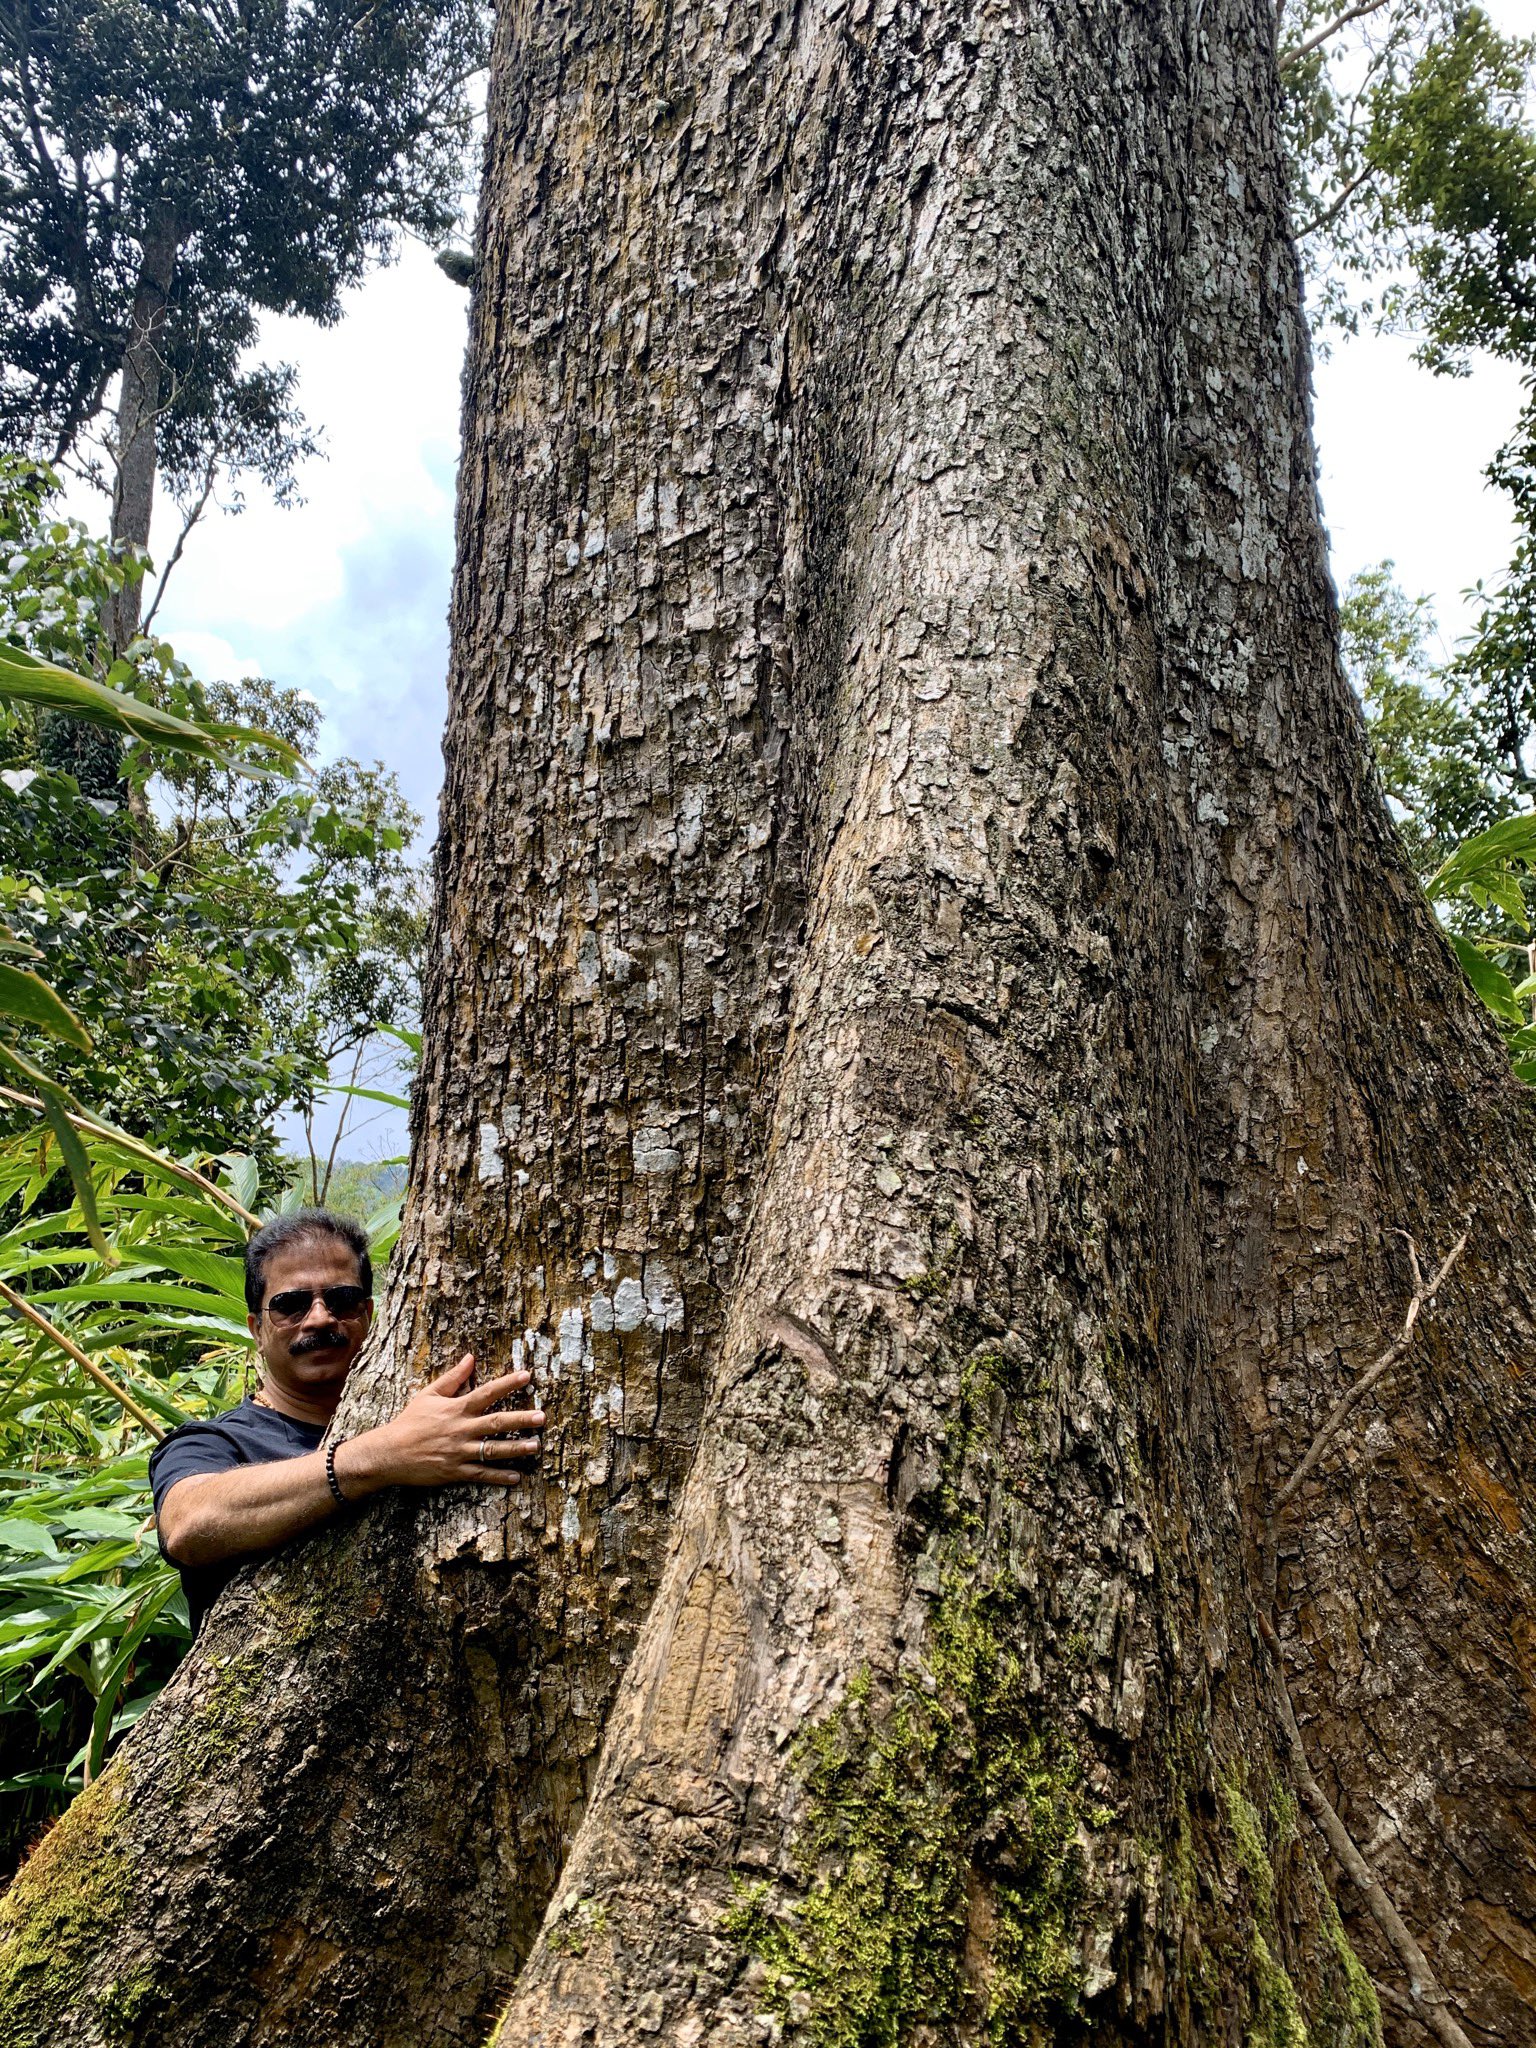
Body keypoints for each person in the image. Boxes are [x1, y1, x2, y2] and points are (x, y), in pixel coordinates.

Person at [149, 1207, 545, 1637]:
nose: (319, 1317)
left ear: (371, 1316)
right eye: (290, 1305)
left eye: (342, 1300)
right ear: (257, 1329)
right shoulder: (212, 1442)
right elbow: (187, 1525)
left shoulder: (423, 1422)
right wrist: (384, 1455)